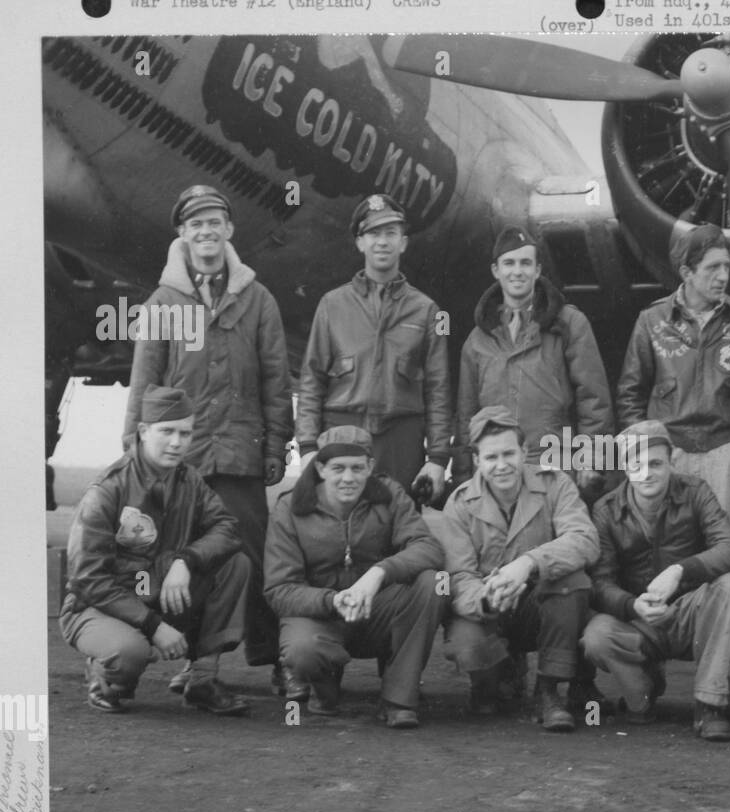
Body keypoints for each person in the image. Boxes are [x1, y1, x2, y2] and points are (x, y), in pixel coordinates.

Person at [122, 184, 293, 689]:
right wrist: (135, 443)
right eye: (196, 224)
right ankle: (197, 661)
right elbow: (144, 378)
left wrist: (277, 442)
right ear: (182, 234)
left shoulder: (258, 299)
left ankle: (278, 655)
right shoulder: (162, 301)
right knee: (178, 558)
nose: (206, 232)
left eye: (214, 222)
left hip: (240, 454)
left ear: (229, 231)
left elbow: (275, 379)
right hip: (182, 457)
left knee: (256, 556)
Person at [62, 386, 252, 716]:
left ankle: (202, 679)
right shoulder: (108, 490)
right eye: (167, 432)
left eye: (185, 433)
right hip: (100, 606)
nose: (177, 443)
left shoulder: (189, 480)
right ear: (143, 432)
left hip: (157, 591)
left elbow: (227, 528)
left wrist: (186, 560)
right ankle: (105, 674)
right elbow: (87, 580)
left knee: (235, 564)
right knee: (128, 655)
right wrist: (153, 626)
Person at [263, 426, 447, 727]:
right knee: (302, 649)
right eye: (338, 468)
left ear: (371, 467)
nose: (348, 478)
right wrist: (333, 600)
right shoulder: (290, 507)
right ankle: (324, 686)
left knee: (435, 583)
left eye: (357, 468)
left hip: (376, 607)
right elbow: (279, 589)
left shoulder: (390, 494)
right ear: (320, 468)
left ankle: (398, 698)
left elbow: (428, 547)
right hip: (322, 614)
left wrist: (379, 573)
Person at [581, 421, 730, 741]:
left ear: (672, 460)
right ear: (625, 467)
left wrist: (680, 571)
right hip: (640, 620)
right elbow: (599, 582)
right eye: (636, 464)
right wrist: (632, 605)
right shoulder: (606, 509)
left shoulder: (696, 491)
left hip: (691, 615)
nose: (647, 473)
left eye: (656, 463)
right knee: (596, 635)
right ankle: (643, 691)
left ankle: (709, 704)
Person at [440, 406, 600, 732]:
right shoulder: (459, 503)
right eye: (491, 457)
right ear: (477, 461)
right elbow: (458, 575)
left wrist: (527, 564)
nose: (501, 466)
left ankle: (549, 689)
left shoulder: (555, 484)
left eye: (508, 454)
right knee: (472, 660)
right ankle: (501, 676)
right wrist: (486, 598)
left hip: (537, 602)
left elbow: (584, 539)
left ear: (524, 451)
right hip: (488, 607)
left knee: (573, 580)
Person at [616, 223, 730, 532]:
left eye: (726, 267)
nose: (723, 276)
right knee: (672, 546)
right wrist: (648, 451)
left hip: (727, 452)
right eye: (712, 268)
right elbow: (630, 393)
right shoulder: (652, 321)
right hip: (671, 453)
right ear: (686, 272)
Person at [296, 193, 452, 501]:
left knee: (398, 532)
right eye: (374, 233)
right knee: (337, 532)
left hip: (400, 442)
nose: (382, 242)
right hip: (341, 433)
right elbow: (311, 379)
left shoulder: (426, 310)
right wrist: (308, 447)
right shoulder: (332, 305)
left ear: (403, 242)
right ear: (360, 242)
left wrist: (436, 459)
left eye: (391, 233)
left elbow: (438, 389)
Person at [455, 226, 614, 500]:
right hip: (498, 469)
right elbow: (466, 415)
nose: (517, 272)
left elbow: (594, 400)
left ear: (538, 270)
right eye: (509, 263)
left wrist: (592, 460)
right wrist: (461, 476)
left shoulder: (570, 324)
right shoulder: (476, 341)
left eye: (525, 263)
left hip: (554, 461)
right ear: (496, 270)